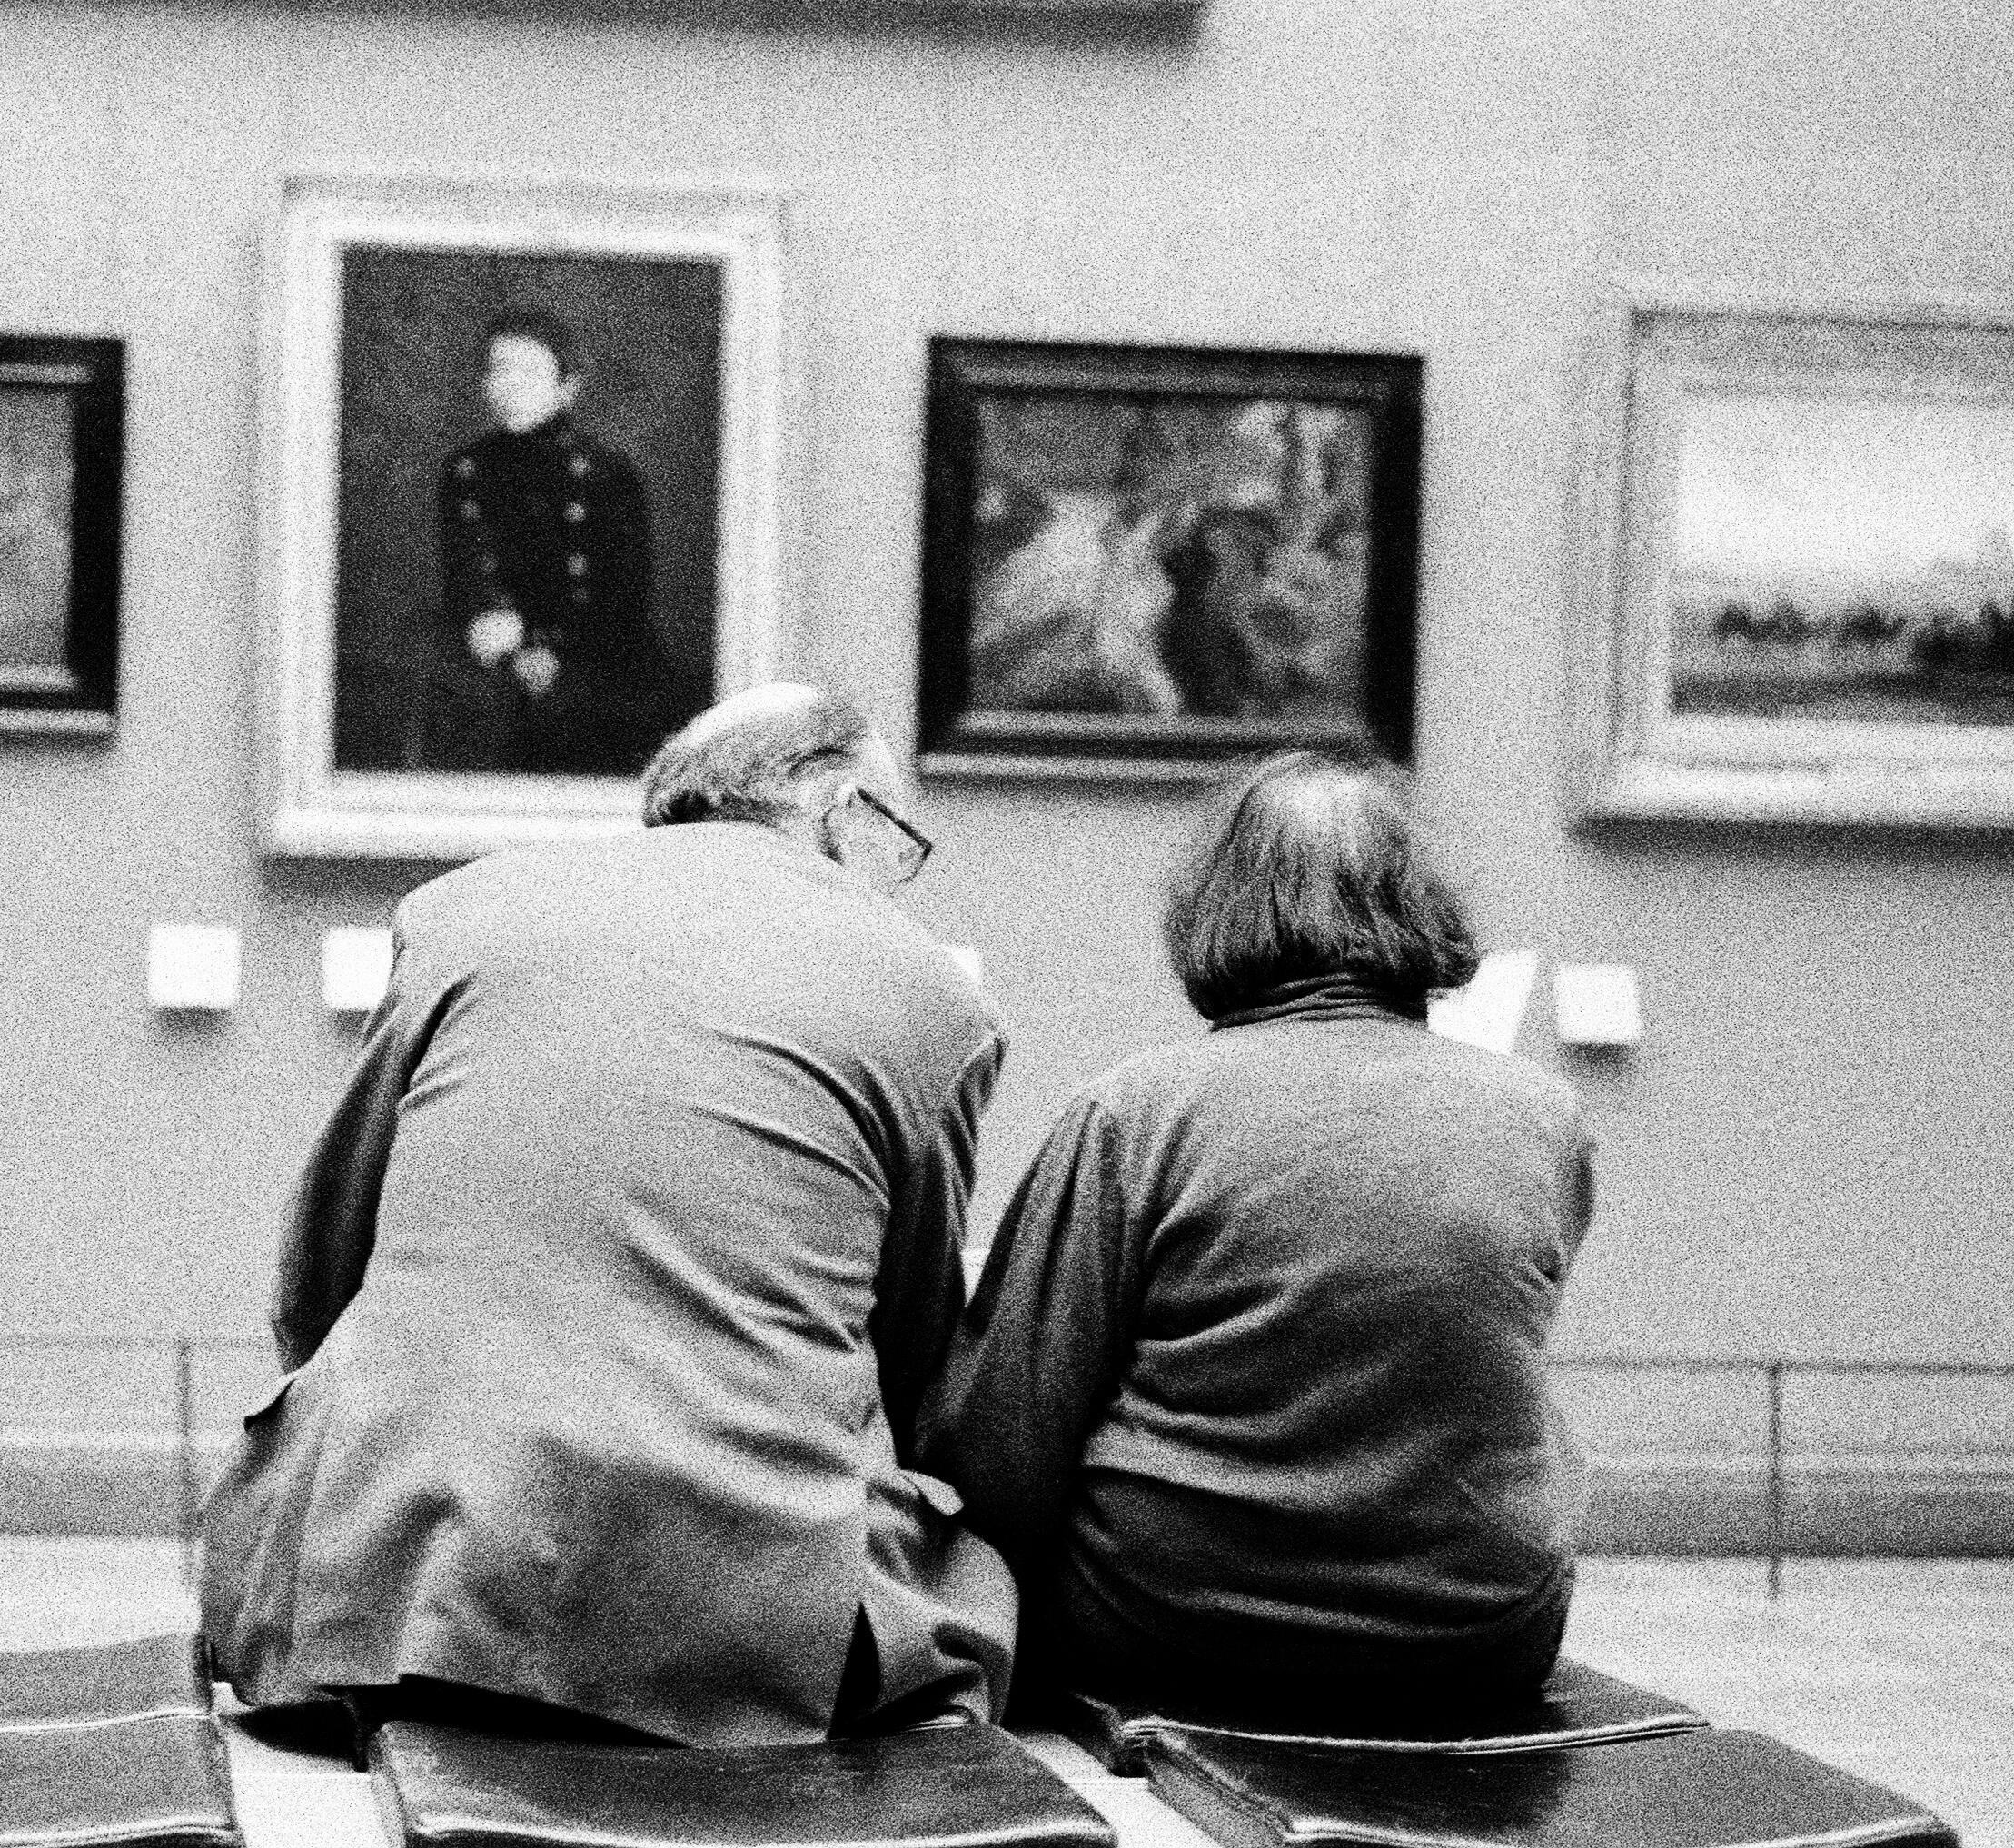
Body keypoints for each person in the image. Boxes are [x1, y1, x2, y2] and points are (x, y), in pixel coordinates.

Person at [203, 683, 1016, 1749]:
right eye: (902, 841)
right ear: (844, 807)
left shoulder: (464, 908)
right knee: (980, 1576)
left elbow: (324, 1256)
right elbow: (910, 1354)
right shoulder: (933, 997)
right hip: (726, 1620)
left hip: (402, 1589)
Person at [919, 750, 1591, 1724]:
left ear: (1217, 912)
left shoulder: (1135, 1111)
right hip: (1478, 1641)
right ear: (1419, 907)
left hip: (1169, 1625)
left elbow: (1002, 1442)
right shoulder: (1545, 1114)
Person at [408, 308, 673, 777]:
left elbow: (623, 603)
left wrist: (555, 655)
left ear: (567, 387)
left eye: (527, 371)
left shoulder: (609, 476)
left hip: (596, 667)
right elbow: (467, 582)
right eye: (496, 370)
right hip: (491, 667)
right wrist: (503, 641)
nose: (507, 385)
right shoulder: (466, 470)